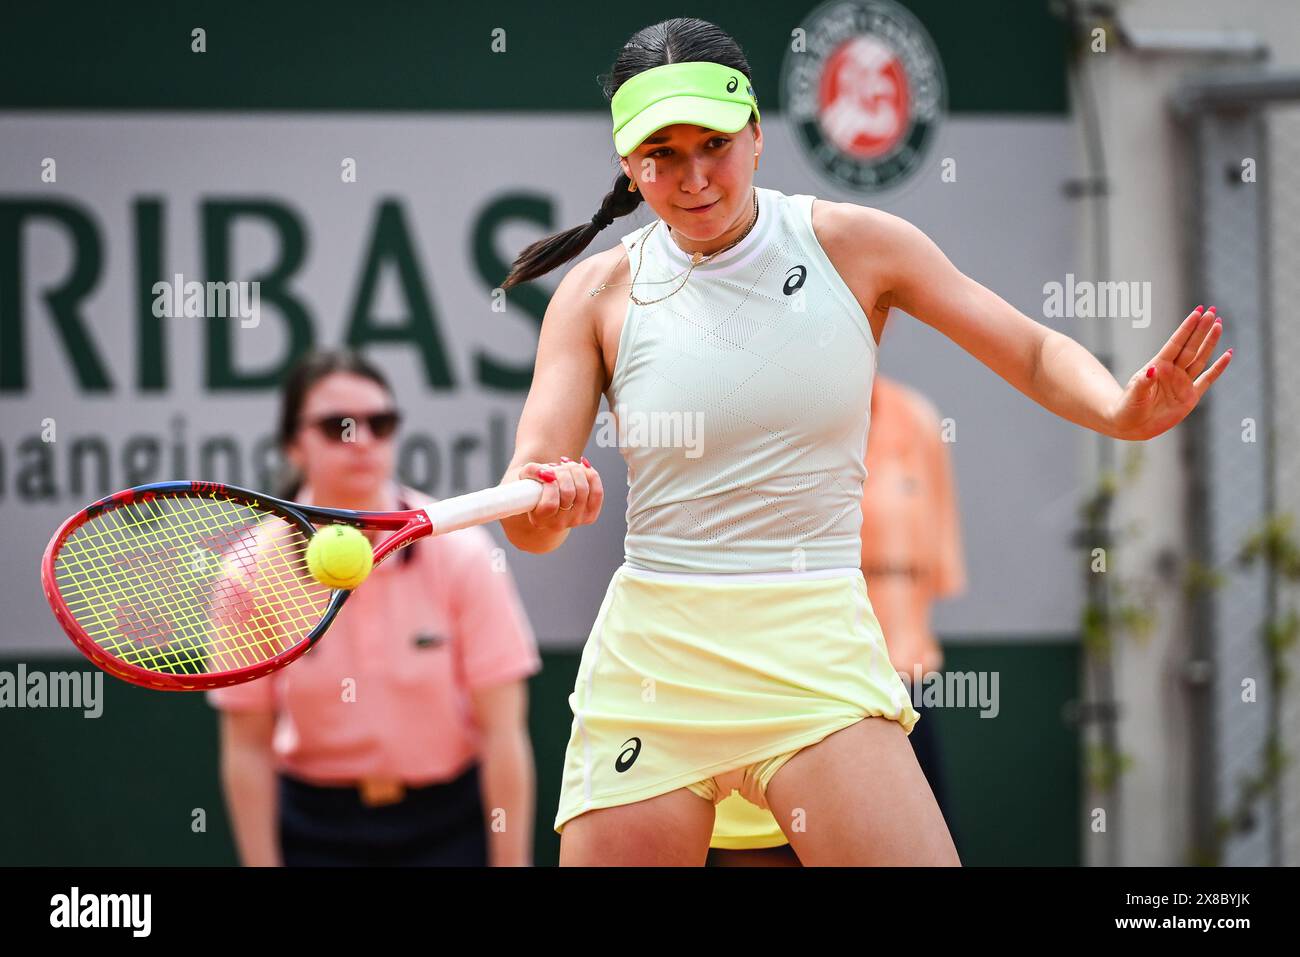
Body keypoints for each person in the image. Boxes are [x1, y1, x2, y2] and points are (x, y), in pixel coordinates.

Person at [496, 17, 1231, 866]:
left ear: (759, 135)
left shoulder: (855, 245)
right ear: (629, 163)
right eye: (662, 155)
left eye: (715, 145)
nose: (694, 177)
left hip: (816, 652)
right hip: (655, 665)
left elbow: (1029, 347)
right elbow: (529, 514)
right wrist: (554, 501)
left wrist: (1121, 410)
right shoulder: (593, 294)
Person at [210, 349, 541, 867]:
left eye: (379, 423)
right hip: (315, 831)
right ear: (294, 445)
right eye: (336, 425)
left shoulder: (464, 554)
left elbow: (503, 733)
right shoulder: (249, 570)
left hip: (449, 825)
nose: (360, 439)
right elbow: (246, 747)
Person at [706, 374, 969, 865]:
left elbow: (933, 571)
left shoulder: (917, 419)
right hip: (777, 693)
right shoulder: (755, 420)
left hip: (898, 688)